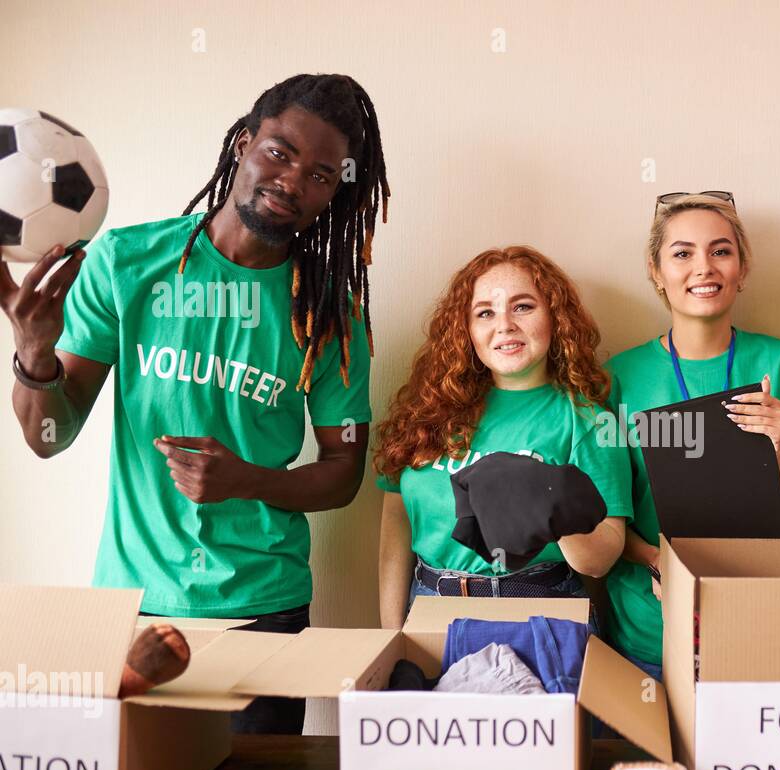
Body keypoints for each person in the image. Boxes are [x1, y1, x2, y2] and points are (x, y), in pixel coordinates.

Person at [4, 73, 391, 733]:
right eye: (280, 153)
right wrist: (36, 356)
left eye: (322, 174)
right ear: (244, 143)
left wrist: (248, 480)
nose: (295, 180)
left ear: (336, 193)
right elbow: (47, 438)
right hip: (135, 609)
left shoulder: (330, 314)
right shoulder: (128, 263)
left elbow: (343, 470)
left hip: (263, 612)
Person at [604, 193, 780, 680]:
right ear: (656, 271)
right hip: (650, 633)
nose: (703, 267)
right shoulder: (619, 378)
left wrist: (777, 451)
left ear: (742, 269)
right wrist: (660, 562)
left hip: (761, 626)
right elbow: (603, 519)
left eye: (720, 251)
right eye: (682, 253)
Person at [373, 246, 631, 631]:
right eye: (485, 313)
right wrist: (392, 635)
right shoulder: (427, 410)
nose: (505, 324)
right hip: (429, 609)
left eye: (523, 307)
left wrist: (552, 511)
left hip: (539, 613)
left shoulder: (587, 422)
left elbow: (602, 559)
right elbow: (397, 526)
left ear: (555, 318)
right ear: (467, 329)